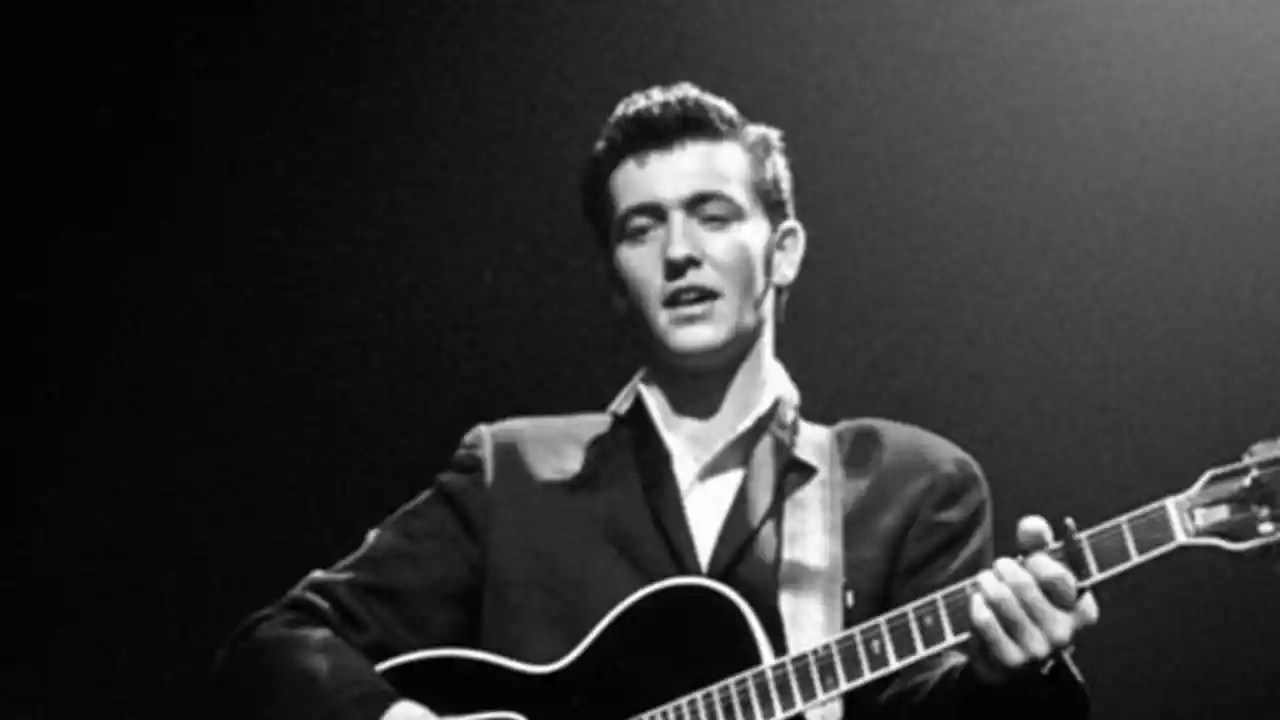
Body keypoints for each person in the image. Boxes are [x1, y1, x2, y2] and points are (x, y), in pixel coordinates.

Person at [210, 81, 1099, 719]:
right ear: (615, 277)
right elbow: (275, 649)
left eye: (713, 215)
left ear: (783, 251)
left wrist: (1011, 675)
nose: (679, 251)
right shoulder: (513, 470)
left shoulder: (913, 482)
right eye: (643, 228)